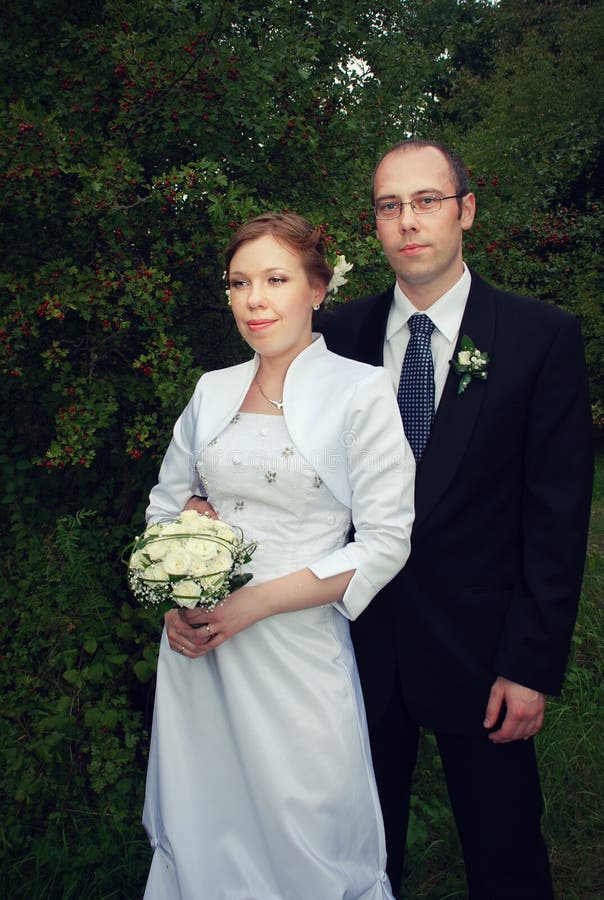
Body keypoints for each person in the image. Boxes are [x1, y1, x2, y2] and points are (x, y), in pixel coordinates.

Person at [321, 139, 594, 899]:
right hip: (355, 641)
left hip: (485, 653)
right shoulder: (335, 337)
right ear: (375, 223)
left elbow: (558, 516)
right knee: (358, 856)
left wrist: (529, 663)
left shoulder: (540, 338)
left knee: (505, 857)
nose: (408, 221)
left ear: (465, 210)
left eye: (427, 201)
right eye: (389, 206)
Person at [140, 212, 416, 899]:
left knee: (306, 838)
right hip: (202, 656)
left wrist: (255, 602)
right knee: (208, 829)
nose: (254, 299)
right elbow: (162, 507)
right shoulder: (211, 392)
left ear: (318, 290)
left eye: (275, 279)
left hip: (295, 651)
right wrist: (180, 592)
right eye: (239, 283)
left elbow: (386, 541)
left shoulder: (361, 391)